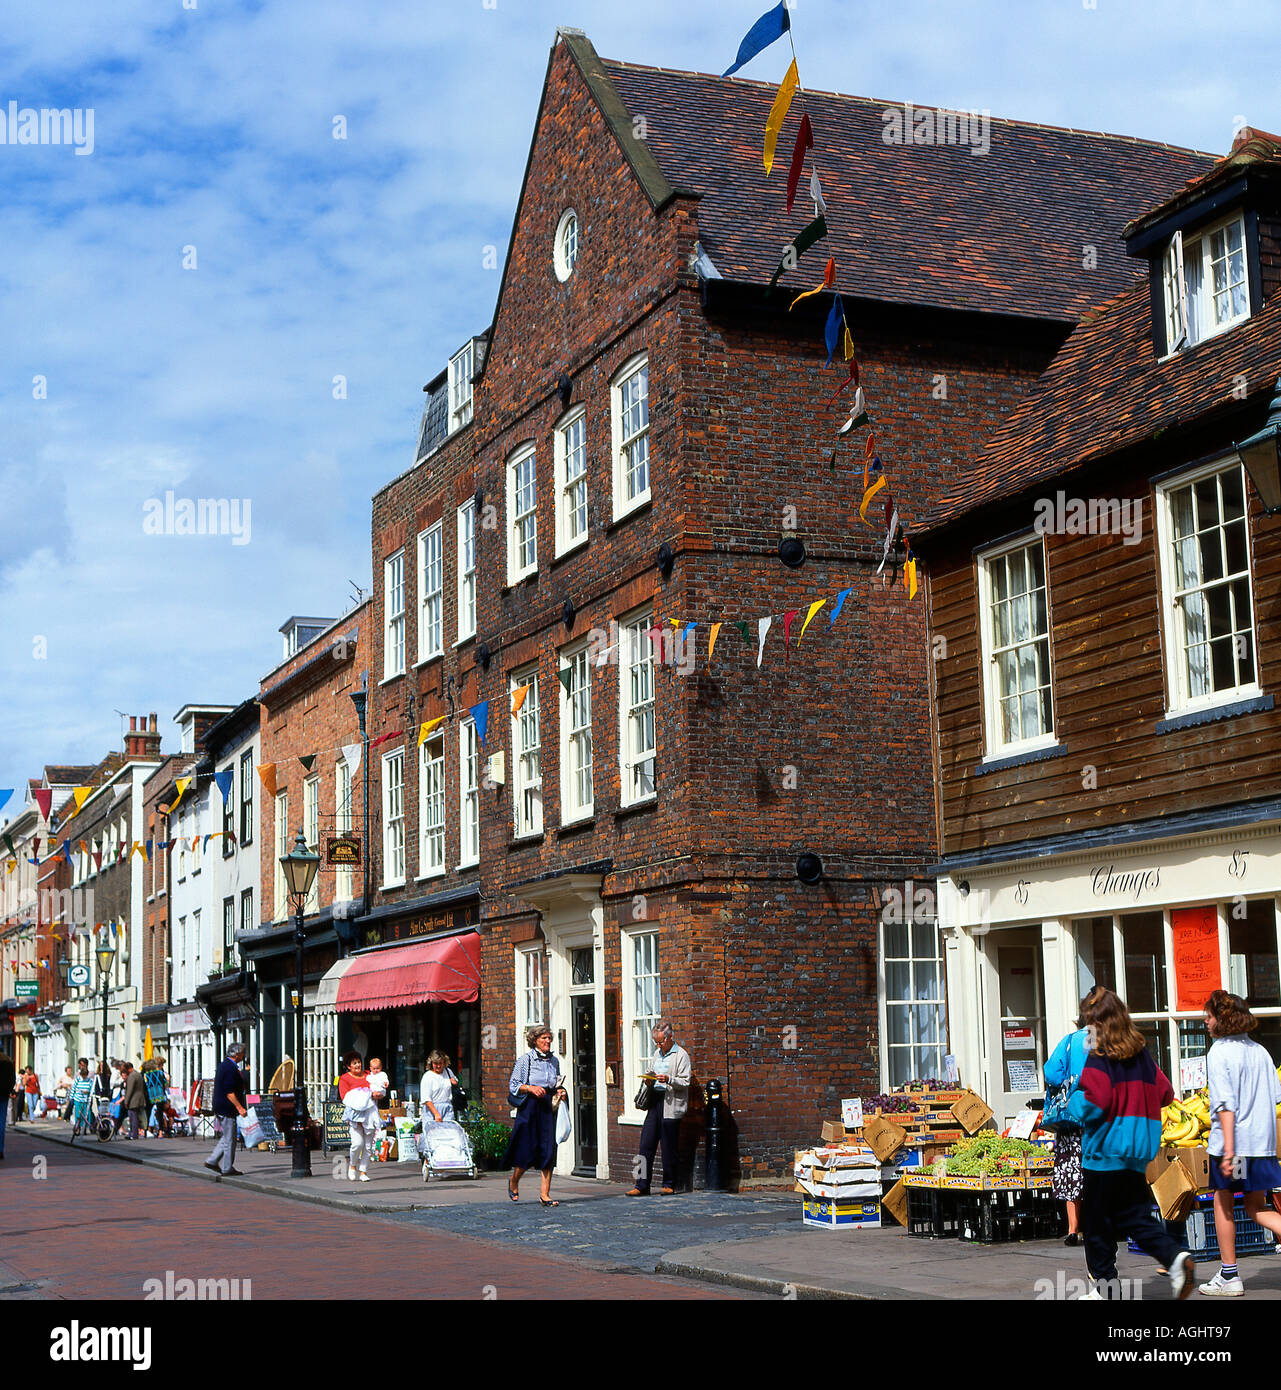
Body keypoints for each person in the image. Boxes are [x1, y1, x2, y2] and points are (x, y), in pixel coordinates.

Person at [1066, 987, 1194, 1300]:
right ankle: (1174, 1258)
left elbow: (1098, 1100)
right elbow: (1166, 1093)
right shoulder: (1143, 1058)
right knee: (1134, 1217)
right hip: (1138, 1153)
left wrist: (1073, 1104)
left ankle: (1108, 1290)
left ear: (1096, 1025)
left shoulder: (1099, 1058)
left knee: (1098, 1225)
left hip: (1104, 1151)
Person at [1195, 989, 1281, 1296]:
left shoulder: (1219, 1052)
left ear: (1222, 1019)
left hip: (1236, 1146)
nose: (1205, 1021)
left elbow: (1225, 1105)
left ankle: (1229, 1275)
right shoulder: (1260, 1051)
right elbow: (1276, 1098)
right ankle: (1227, 1274)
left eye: (1209, 1015)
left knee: (1223, 1203)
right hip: (1262, 1145)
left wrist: (1229, 1151)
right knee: (1257, 1206)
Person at [1044, 994, 1096, 1245]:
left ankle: (1073, 1229)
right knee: (1096, 1171)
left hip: (1071, 1118)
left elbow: (1051, 1074)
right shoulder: (1102, 1040)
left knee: (1071, 1170)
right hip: (1097, 1117)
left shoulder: (1070, 1040)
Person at [503, 1025, 567, 1207]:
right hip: (530, 1106)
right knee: (527, 1149)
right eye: (544, 1038)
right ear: (534, 1040)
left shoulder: (554, 1060)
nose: (547, 1041)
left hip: (548, 1106)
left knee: (548, 1148)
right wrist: (530, 1088)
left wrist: (560, 1091)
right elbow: (514, 1085)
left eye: (549, 1038)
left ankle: (544, 1194)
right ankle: (514, 1180)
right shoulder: (526, 1060)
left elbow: (555, 1083)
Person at [627, 1019, 692, 1197]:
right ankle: (641, 1185)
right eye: (656, 1042)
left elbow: (686, 1081)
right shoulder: (657, 1054)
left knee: (668, 1146)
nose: (658, 1045)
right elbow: (650, 1070)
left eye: (661, 1041)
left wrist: (669, 1079)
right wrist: (649, 1078)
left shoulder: (681, 1055)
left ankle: (669, 1183)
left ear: (670, 1037)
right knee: (645, 1144)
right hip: (655, 1101)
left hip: (670, 1103)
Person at [205, 1043, 248, 1178]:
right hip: (226, 1107)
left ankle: (212, 1160)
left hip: (220, 1106)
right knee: (230, 1140)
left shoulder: (225, 1065)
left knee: (227, 1136)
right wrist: (239, 1107)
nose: (244, 1056)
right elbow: (229, 1092)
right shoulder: (230, 1068)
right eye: (242, 1053)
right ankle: (227, 1168)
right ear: (236, 1054)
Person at [338, 1052, 379, 1182]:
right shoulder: (344, 1078)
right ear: (348, 1066)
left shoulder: (368, 1075)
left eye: (359, 1062)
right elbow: (345, 1097)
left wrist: (380, 1092)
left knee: (368, 1146)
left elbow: (379, 1088)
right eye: (354, 1063)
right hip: (355, 1115)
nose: (358, 1065)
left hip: (370, 1114)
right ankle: (352, 1165)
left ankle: (363, 1171)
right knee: (357, 1143)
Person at [418, 1051, 459, 1123]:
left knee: (448, 1132)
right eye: (435, 1063)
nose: (438, 1066)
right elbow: (426, 1099)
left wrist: (454, 1082)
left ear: (444, 1063)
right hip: (432, 1109)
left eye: (441, 1063)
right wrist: (436, 1113)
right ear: (431, 1063)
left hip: (447, 1108)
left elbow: (455, 1081)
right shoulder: (428, 1076)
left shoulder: (448, 1071)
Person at [121, 1062, 147, 1140]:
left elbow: (130, 1090)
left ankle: (134, 1133)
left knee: (133, 1117)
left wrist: (126, 1101)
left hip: (133, 1100)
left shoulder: (132, 1076)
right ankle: (135, 1133)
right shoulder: (138, 1074)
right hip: (139, 1098)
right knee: (137, 1117)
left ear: (129, 1068)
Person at [69, 1060, 94, 1140]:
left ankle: (84, 1129)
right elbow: (73, 1089)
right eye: (82, 1075)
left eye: (84, 1076)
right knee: (78, 1114)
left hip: (86, 1100)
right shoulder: (78, 1079)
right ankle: (78, 1128)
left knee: (86, 1115)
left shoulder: (90, 1081)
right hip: (78, 1099)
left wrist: (88, 1092)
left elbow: (91, 1090)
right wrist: (71, 1098)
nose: (83, 1077)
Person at [0, 1051, 14, 1158]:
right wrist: (9, 1090)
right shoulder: (8, 1060)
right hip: (4, 1094)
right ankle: (0, 1149)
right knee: (1, 1122)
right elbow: (12, 1079)